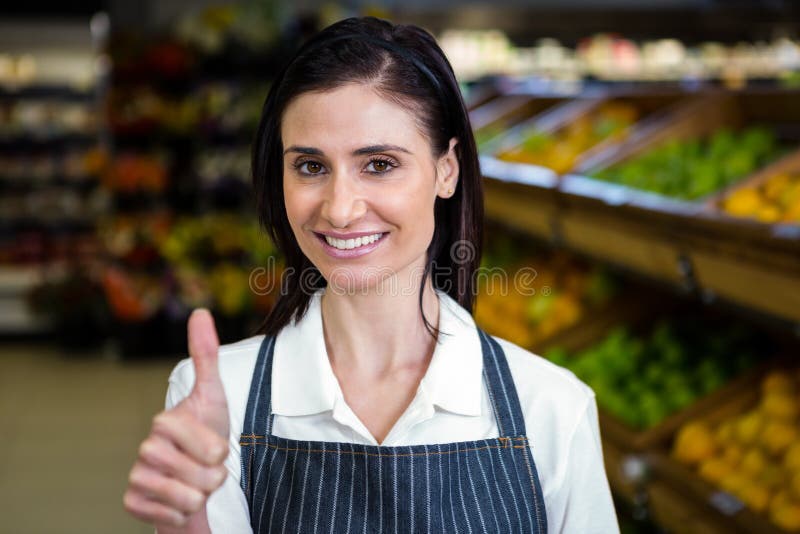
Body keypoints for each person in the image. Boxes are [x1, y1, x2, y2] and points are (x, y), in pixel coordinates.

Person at [123, 16, 619, 533]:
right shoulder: (218, 395)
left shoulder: (552, 408)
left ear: (446, 170)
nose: (339, 210)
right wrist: (186, 521)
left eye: (379, 164)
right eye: (311, 167)